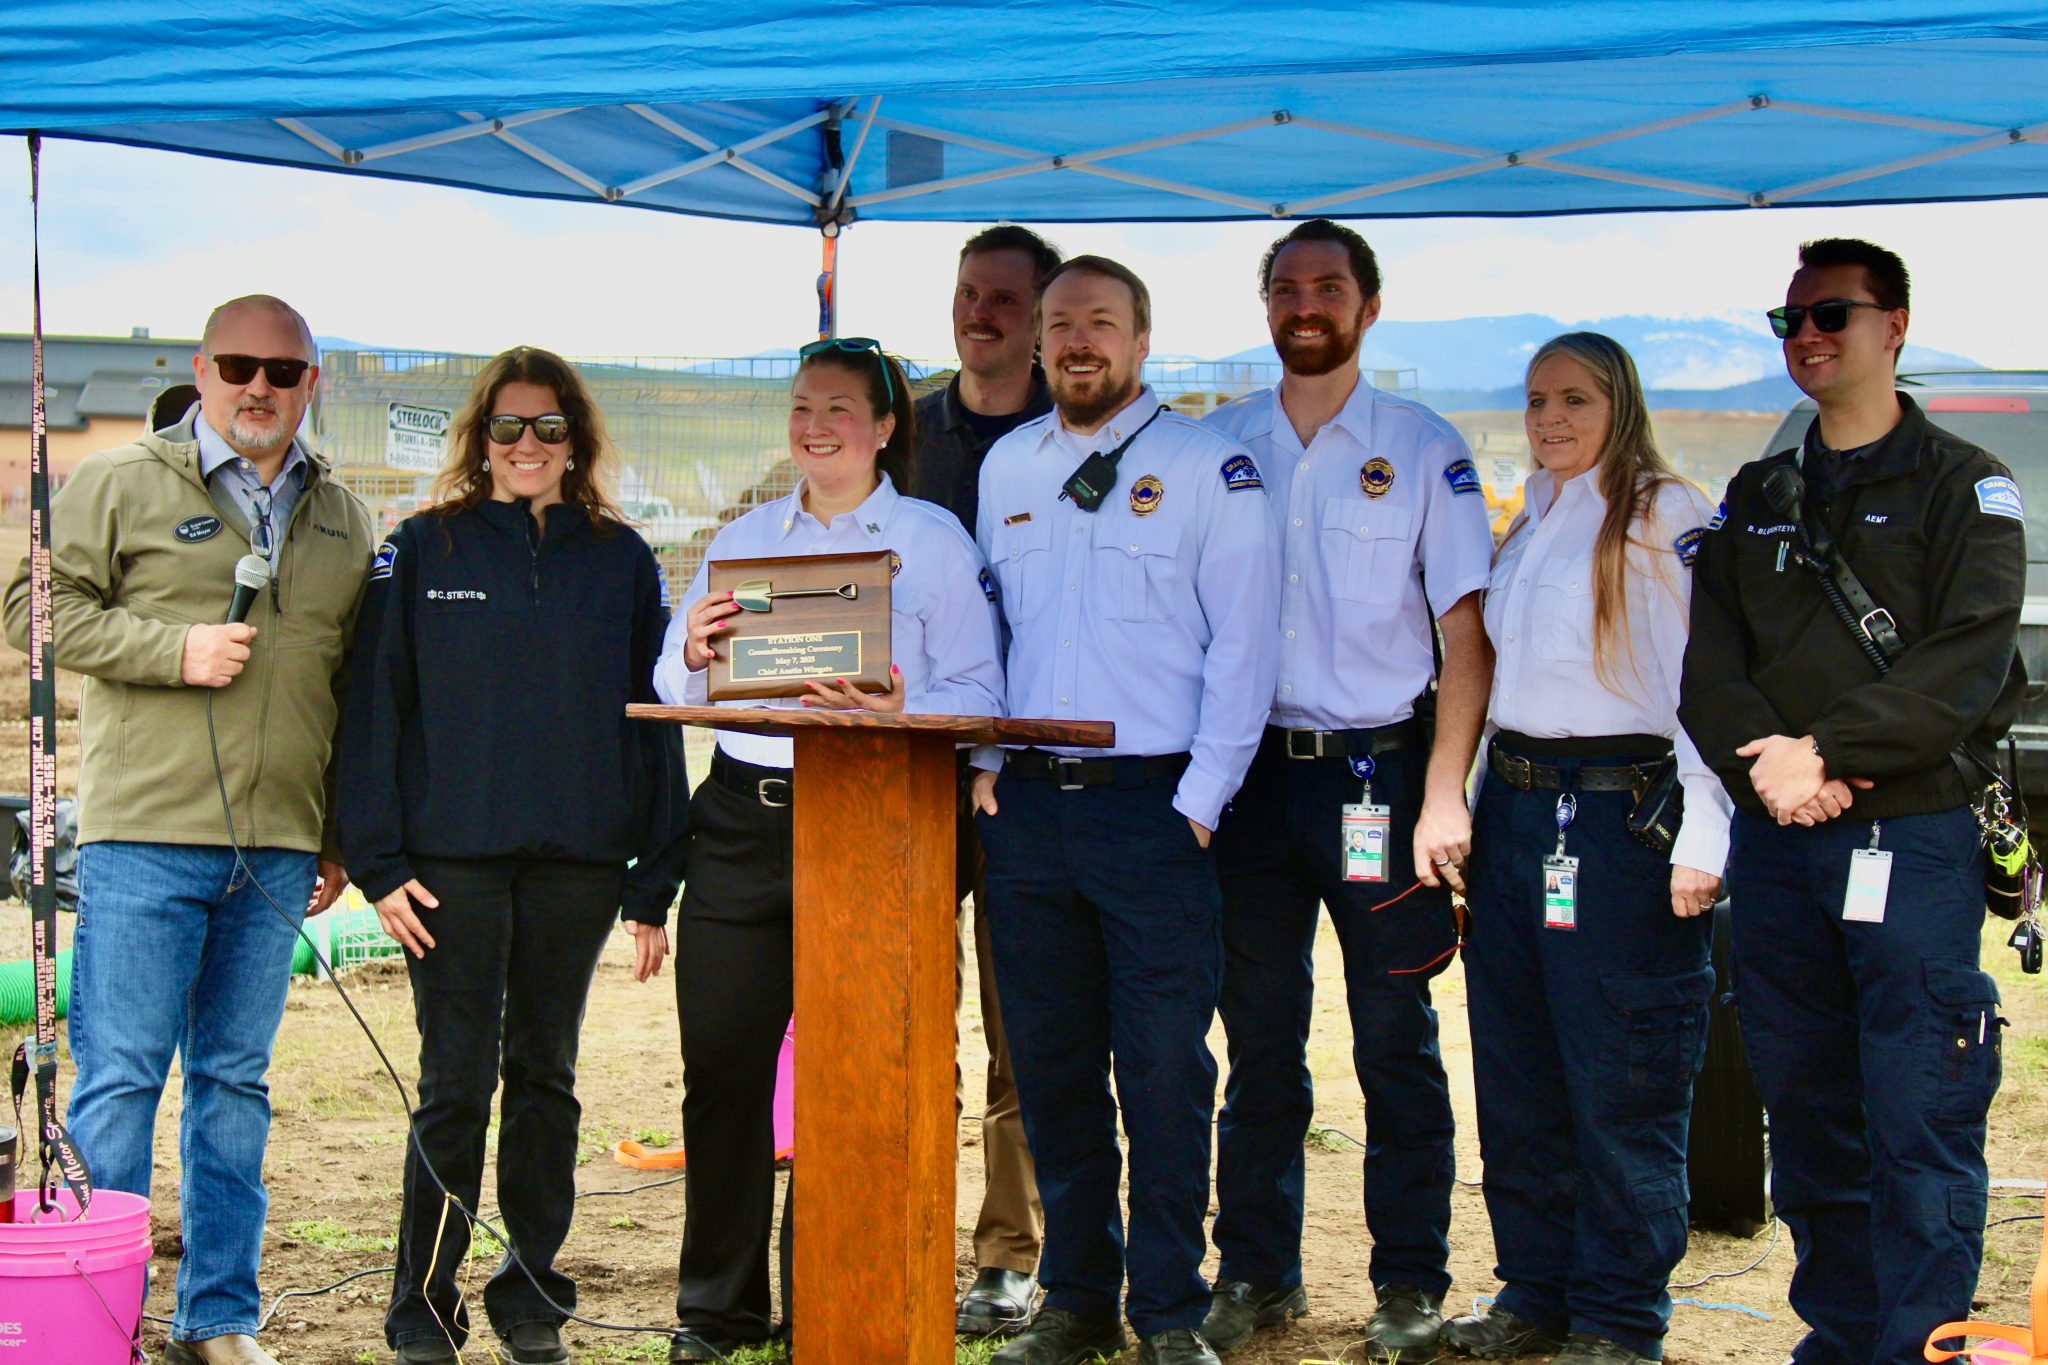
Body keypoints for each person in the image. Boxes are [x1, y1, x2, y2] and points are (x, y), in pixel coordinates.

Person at [2, 295, 372, 1365]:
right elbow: (33, 611)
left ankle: (219, 1318)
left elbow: (349, 685)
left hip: (279, 848)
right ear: (202, 371)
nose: (260, 387)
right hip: (145, 838)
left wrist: (335, 831)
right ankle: (98, 1319)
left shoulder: (344, 517)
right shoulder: (118, 480)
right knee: (120, 1078)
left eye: (283, 371)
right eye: (238, 366)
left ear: (311, 384)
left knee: (235, 1084)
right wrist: (174, 649)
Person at [1679, 240, 2024, 1365]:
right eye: (1790, 320)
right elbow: (1708, 667)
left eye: (1831, 313)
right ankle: (1839, 1338)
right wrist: (1774, 772)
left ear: (1894, 326)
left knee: (1918, 1113)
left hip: (1911, 844)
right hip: (1782, 850)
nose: (1808, 337)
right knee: (1810, 1113)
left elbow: (1966, 663)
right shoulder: (1758, 495)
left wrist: (1824, 752)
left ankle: (1916, 1349)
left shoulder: (1963, 485)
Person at [654, 337, 1005, 1364]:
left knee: (855, 1074)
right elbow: (674, 683)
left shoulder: (932, 541)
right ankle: (717, 1312)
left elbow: (984, 693)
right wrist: (693, 652)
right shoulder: (743, 539)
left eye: (841, 408)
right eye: (802, 407)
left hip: (873, 819)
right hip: (741, 820)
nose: (816, 426)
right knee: (722, 1067)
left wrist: (905, 707)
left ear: (886, 427)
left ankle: (832, 1297)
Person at [338, 345, 689, 1365]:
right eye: (507, 425)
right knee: (454, 1083)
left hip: (578, 863)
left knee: (546, 1076)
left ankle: (530, 1296)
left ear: (574, 439)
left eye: (547, 426)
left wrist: (655, 876)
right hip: (448, 867)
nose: (527, 443)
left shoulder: (620, 559)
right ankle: (422, 1305)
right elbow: (373, 707)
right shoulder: (421, 548)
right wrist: (376, 860)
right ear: (480, 437)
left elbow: (655, 715)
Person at [974, 255, 1281, 1365]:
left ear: (1141, 341)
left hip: (1154, 808)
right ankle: (1076, 1300)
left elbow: (1246, 642)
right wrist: (984, 760)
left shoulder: (1208, 468)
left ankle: (1167, 1308)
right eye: (1060, 323)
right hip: (1027, 811)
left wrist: (1199, 801)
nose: (1077, 341)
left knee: (1162, 1071)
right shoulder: (1008, 464)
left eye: (1100, 322)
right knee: (1052, 1069)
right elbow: (985, 631)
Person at [1200, 219, 1494, 1361]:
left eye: (1328, 286)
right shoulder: (1219, 444)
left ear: (1368, 307)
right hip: (1248, 782)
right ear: (1265, 306)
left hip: (1378, 776)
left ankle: (1409, 1282)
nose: (1305, 305)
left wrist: (1444, 791)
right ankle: (1255, 1272)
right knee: (1258, 1042)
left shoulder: (1420, 446)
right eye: (1286, 287)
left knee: (1394, 1039)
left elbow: (1464, 635)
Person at [1445, 332, 1730, 1365]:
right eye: (1534, 401)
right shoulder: (1533, 515)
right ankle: (1537, 1291)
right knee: (1518, 1070)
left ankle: (1616, 1318)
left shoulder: (1662, 515)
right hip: (1518, 808)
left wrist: (1706, 829)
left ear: (1620, 404)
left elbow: (1705, 680)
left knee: (1622, 1078)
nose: (1549, 419)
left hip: (1620, 817)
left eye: (1573, 399)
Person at [912, 223, 1061, 1340]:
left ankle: (1008, 1256)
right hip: (907, 772)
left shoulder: (1078, 436)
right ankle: (902, 1227)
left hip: (1028, 776)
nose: (981, 312)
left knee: (1025, 1029)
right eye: (970, 292)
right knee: (908, 1015)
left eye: (1006, 299)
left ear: (1044, 319)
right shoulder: (901, 430)